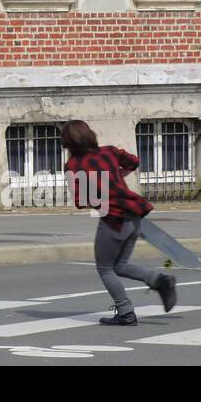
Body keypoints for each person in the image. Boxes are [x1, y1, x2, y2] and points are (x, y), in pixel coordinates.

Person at [60, 120, 178, 326]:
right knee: (120, 265)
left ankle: (125, 312)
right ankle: (160, 281)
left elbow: (80, 201)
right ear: (90, 135)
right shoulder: (109, 152)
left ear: (68, 142)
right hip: (134, 215)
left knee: (105, 268)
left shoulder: (73, 166)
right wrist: (118, 176)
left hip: (113, 220)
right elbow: (133, 161)